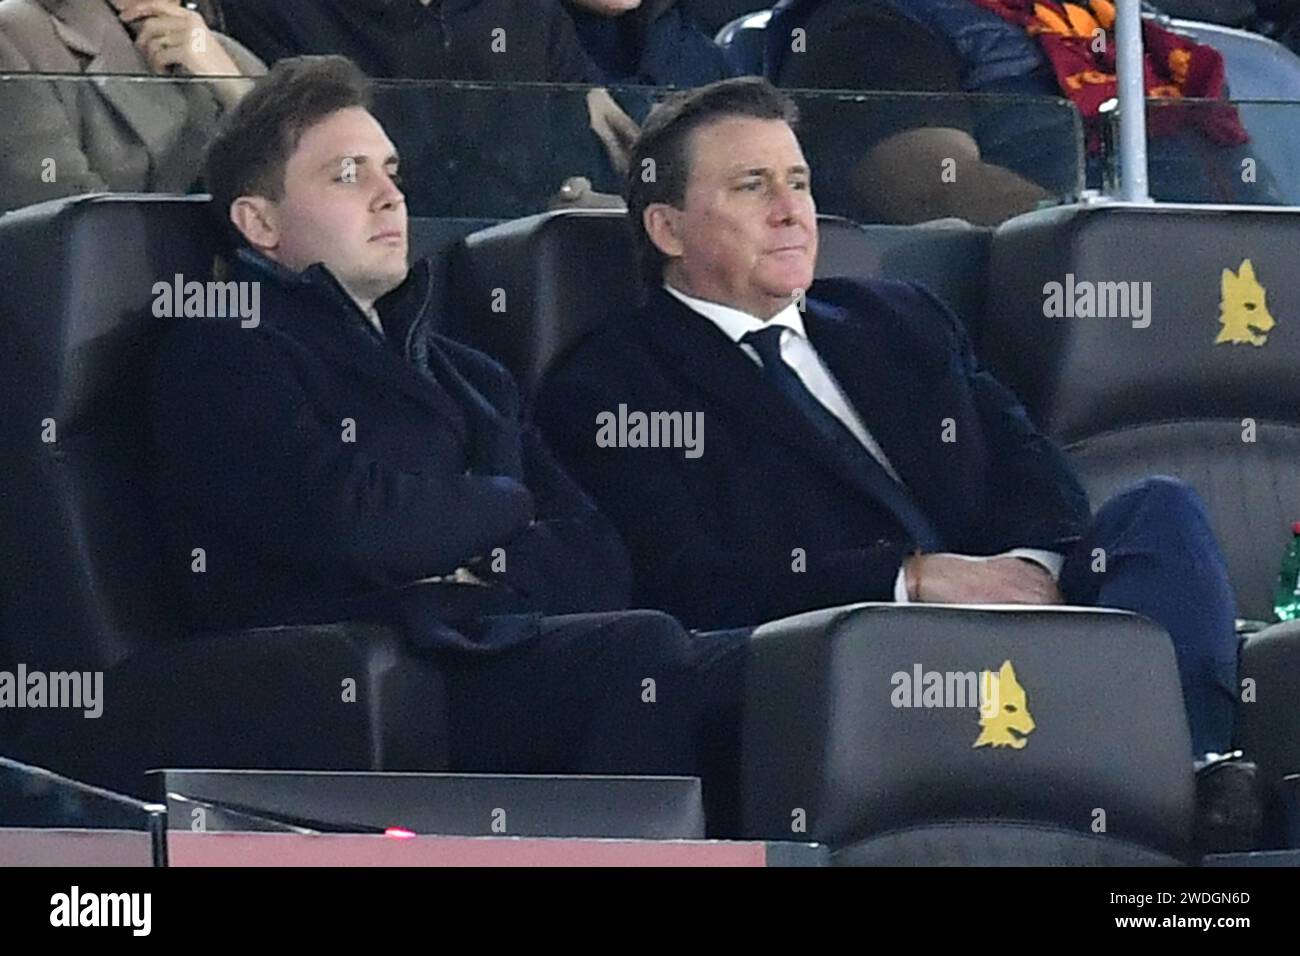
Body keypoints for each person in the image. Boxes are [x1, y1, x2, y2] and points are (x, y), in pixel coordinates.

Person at [536, 77, 1240, 762]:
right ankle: (1125, 757)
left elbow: (1033, 471)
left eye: (800, 182)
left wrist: (1022, 575)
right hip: (857, 657)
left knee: (1158, 511)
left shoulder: (900, 320)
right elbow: (687, 587)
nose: (791, 210)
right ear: (667, 228)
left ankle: (1194, 766)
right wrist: (912, 579)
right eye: (752, 187)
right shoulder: (610, 386)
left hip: (1022, 613)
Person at [148, 55, 748, 830]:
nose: (389, 194)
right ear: (259, 223)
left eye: (390, 169)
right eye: (346, 175)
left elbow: (599, 557)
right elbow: (354, 523)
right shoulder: (227, 346)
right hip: (372, 672)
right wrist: (503, 506)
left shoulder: (469, 371)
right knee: (641, 655)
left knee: (775, 670)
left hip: (494, 644)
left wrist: (468, 550)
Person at [763, 0, 1277, 224]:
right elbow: (925, 187)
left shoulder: (1136, 35)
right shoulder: (867, 21)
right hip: (1058, 323)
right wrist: (1141, 246)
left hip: (1248, 300)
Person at [0, 0, 264, 213]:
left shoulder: (229, 56)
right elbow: (57, 206)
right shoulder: (18, 32)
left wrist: (235, 88)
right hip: (124, 271)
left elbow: (288, 207)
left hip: (234, 277)